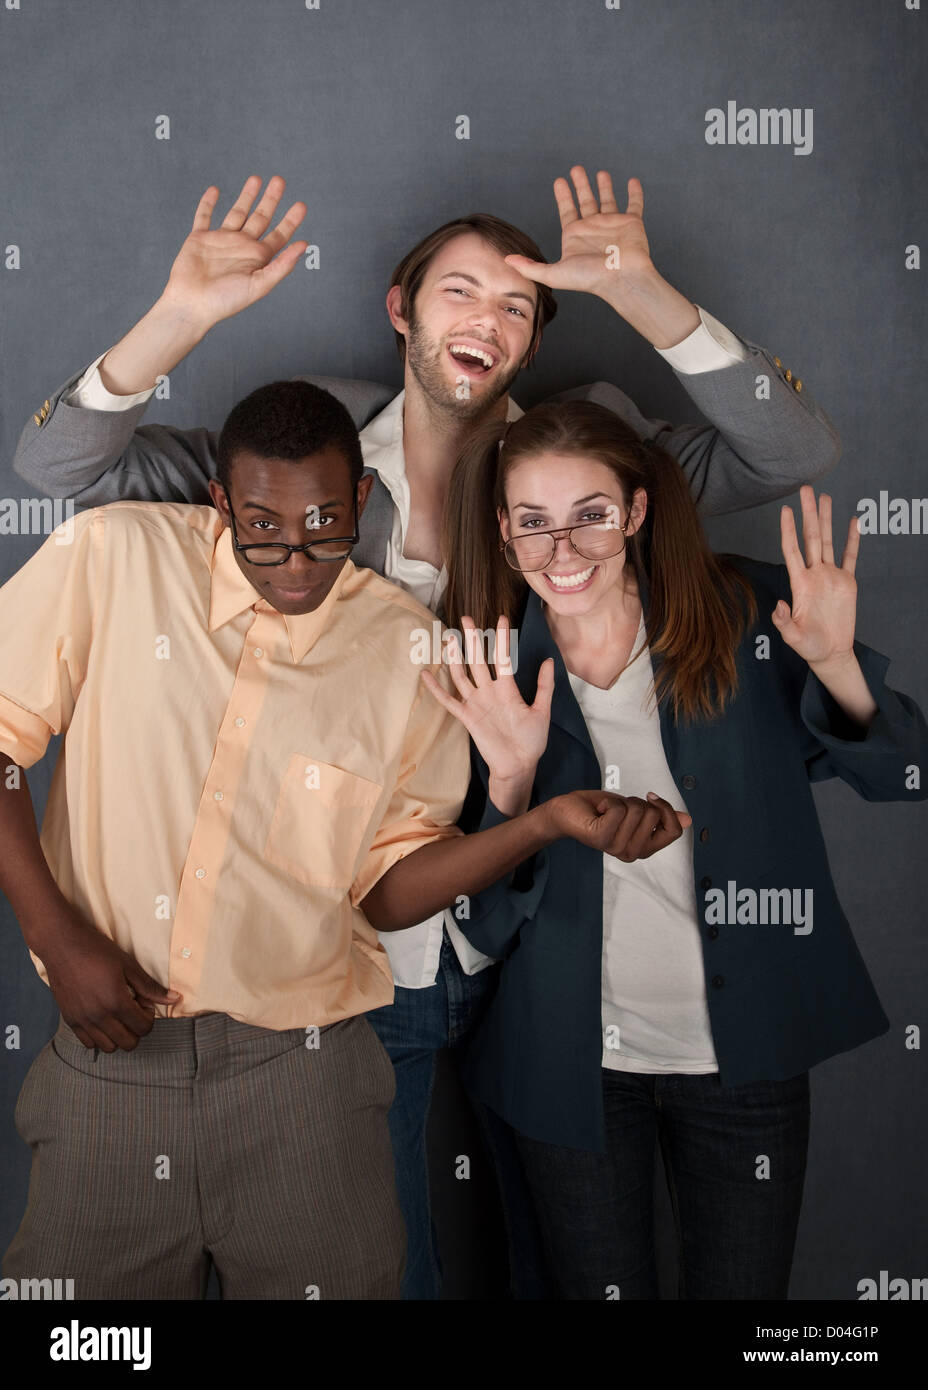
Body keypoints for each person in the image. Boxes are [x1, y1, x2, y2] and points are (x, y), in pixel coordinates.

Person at [12, 167, 840, 1299]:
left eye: (515, 306)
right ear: (403, 310)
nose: (485, 322)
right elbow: (57, 469)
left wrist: (647, 296)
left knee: (544, 1259)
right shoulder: (313, 448)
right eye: (459, 292)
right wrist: (183, 316)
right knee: (381, 1260)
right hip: (355, 944)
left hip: (538, 928)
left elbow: (787, 454)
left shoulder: (571, 454)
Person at [0, 380, 690, 1300]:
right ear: (219, 502)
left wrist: (543, 821)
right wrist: (54, 935)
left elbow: (389, 886)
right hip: (110, 1063)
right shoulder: (113, 556)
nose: (295, 559)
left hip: (309, 1079)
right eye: (263, 529)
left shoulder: (406, 648)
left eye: (326, 525)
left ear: (362, 501)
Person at [426, 399, 928, 1300]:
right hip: (566, 1069)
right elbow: (475, 929)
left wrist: (837, 663)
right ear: (502, 534)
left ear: (639, 510)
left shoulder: (740, 613)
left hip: (745, 1063)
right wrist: (509, 782)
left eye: (592, 516)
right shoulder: (484, 665)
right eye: (533, 526)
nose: (563, 553)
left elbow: (904, 776)